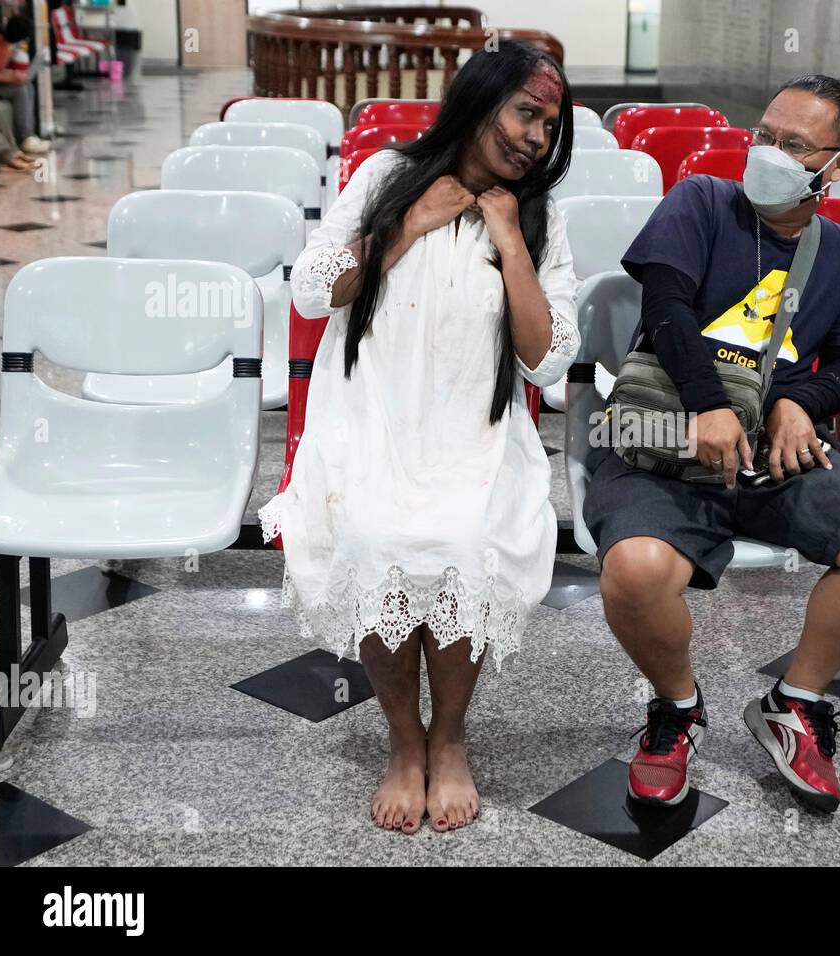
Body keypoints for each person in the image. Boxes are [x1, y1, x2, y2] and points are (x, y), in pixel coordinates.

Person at [258, 41, 579, 835]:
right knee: (375, 536)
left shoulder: (539, 217)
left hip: (477, 430)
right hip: (371, 421)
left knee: (467, 539)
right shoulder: (382, 179)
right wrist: (405, 226)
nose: (536, 137)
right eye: (525, 113)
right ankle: (404, 744)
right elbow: (309, 292)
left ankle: (451, 737)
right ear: (480, 100)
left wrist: (509, 241)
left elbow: (548, 362)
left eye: (549, 125)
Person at [583, 75, 840, 813]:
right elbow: (665, 305)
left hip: (775, 458)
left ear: (836, 166)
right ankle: (677, 710)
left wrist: (802, 401)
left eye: (793, 144)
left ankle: (794, 705)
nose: (767, 152)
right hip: (661, 439)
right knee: (637, 570)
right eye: (765, 134)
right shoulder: (702, 202)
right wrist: (708, 404)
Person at [0, 14, 48, 154]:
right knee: (20, 90)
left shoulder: (5, 43)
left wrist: (13, 75)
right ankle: (25, 137)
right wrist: (10, 78)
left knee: (28, 86)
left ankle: (29, 134)